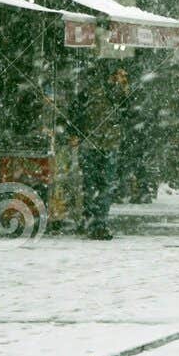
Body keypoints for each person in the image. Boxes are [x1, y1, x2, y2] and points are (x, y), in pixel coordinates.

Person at [73, 65, 129, 240]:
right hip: (100, 144)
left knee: (98, 185)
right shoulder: (98, 93)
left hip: (104, 144)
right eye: (119, 74)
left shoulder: (116, 94)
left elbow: (128, 114)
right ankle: (96, 222)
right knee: (99, 185)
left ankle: (95, 221)